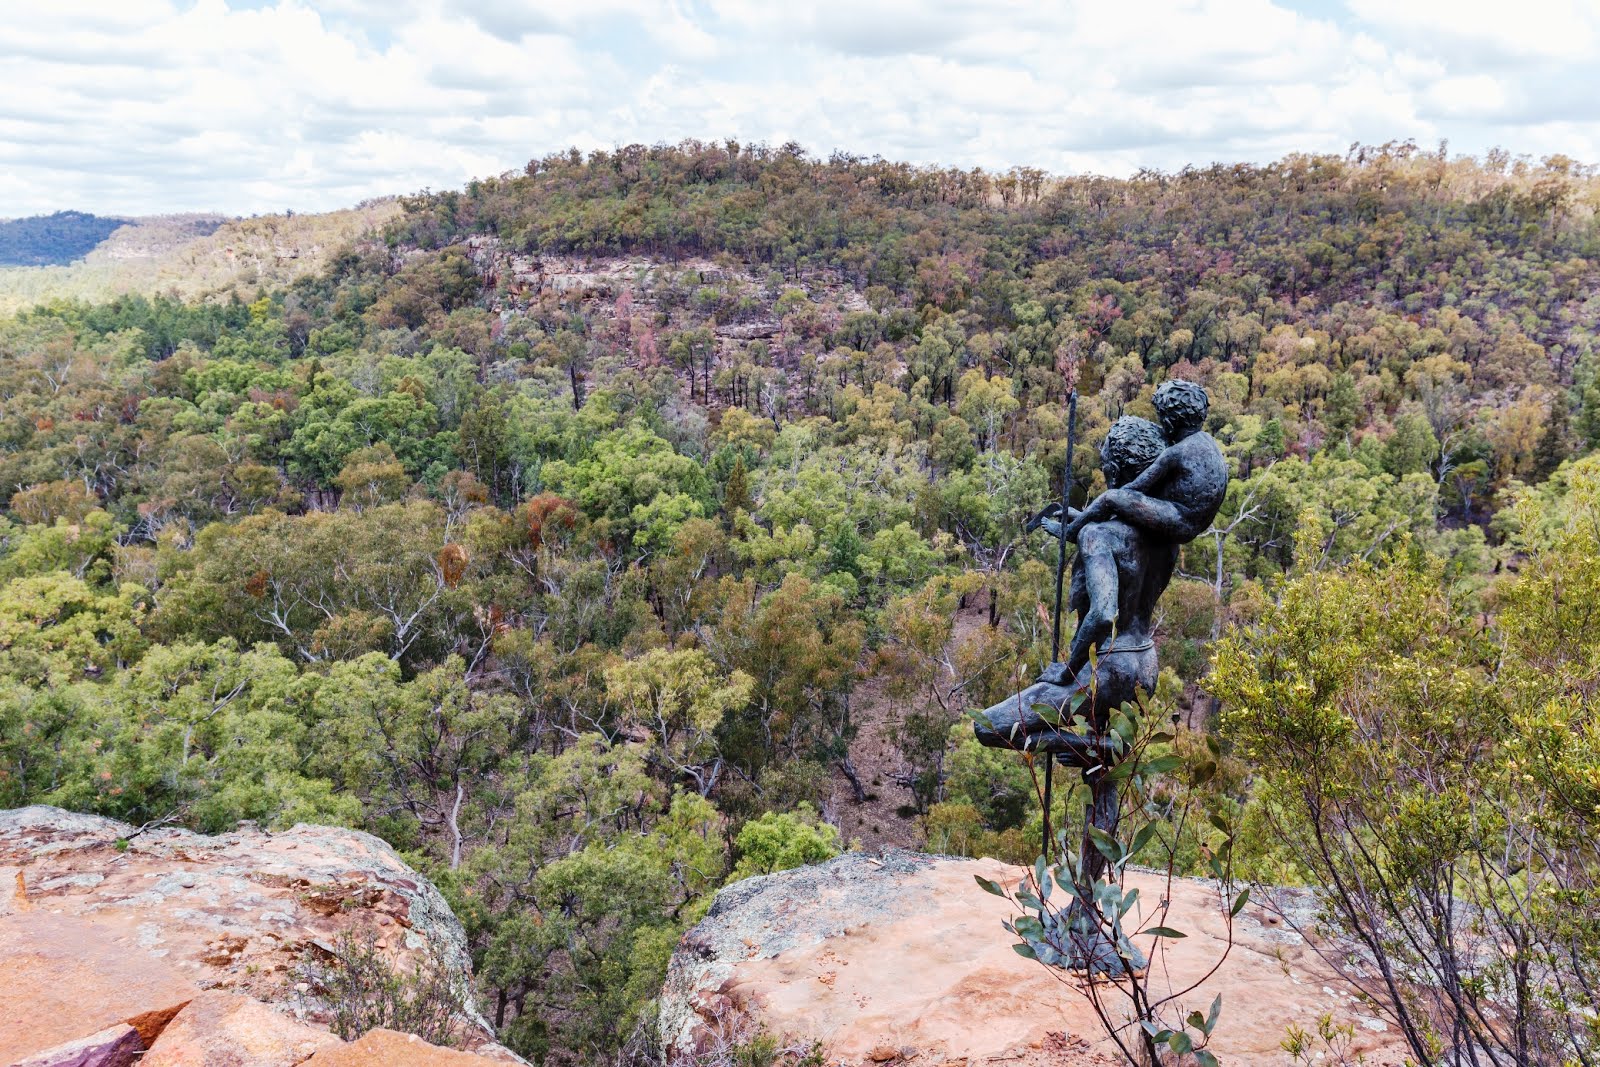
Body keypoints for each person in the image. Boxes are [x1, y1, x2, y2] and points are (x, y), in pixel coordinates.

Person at [974, 416, 1175, 755]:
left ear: (1116, 467)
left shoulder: (1098, 535)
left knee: (987, 727)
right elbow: (1131, 556)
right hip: (1145, 666)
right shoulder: (1168, 536)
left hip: (1105, 674)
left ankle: (1100, 747)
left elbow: (1104, 612)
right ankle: (1103, 748)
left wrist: (1066, 670)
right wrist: (1081, 521)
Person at [1030, 378, 1228, 549]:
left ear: (1169, 421)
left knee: (1112, 498)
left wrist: (1116, 499)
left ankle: (1069, 533)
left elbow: (1136, 488)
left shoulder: (1176, 452)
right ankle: (1083, 517)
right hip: (1196, 521)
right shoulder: (1210, 444)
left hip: (1180, 521)